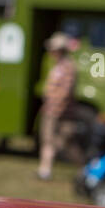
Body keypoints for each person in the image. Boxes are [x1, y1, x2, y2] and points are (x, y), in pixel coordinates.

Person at [38, 32, 77, 180]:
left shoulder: (68, 67)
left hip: (59, 110)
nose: (51, 52)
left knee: (61, 141)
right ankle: (44, 169)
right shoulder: (57, 65)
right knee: (47, 140)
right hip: (50, 109)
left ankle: (83, 167)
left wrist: (55, 105)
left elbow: (66, 90)